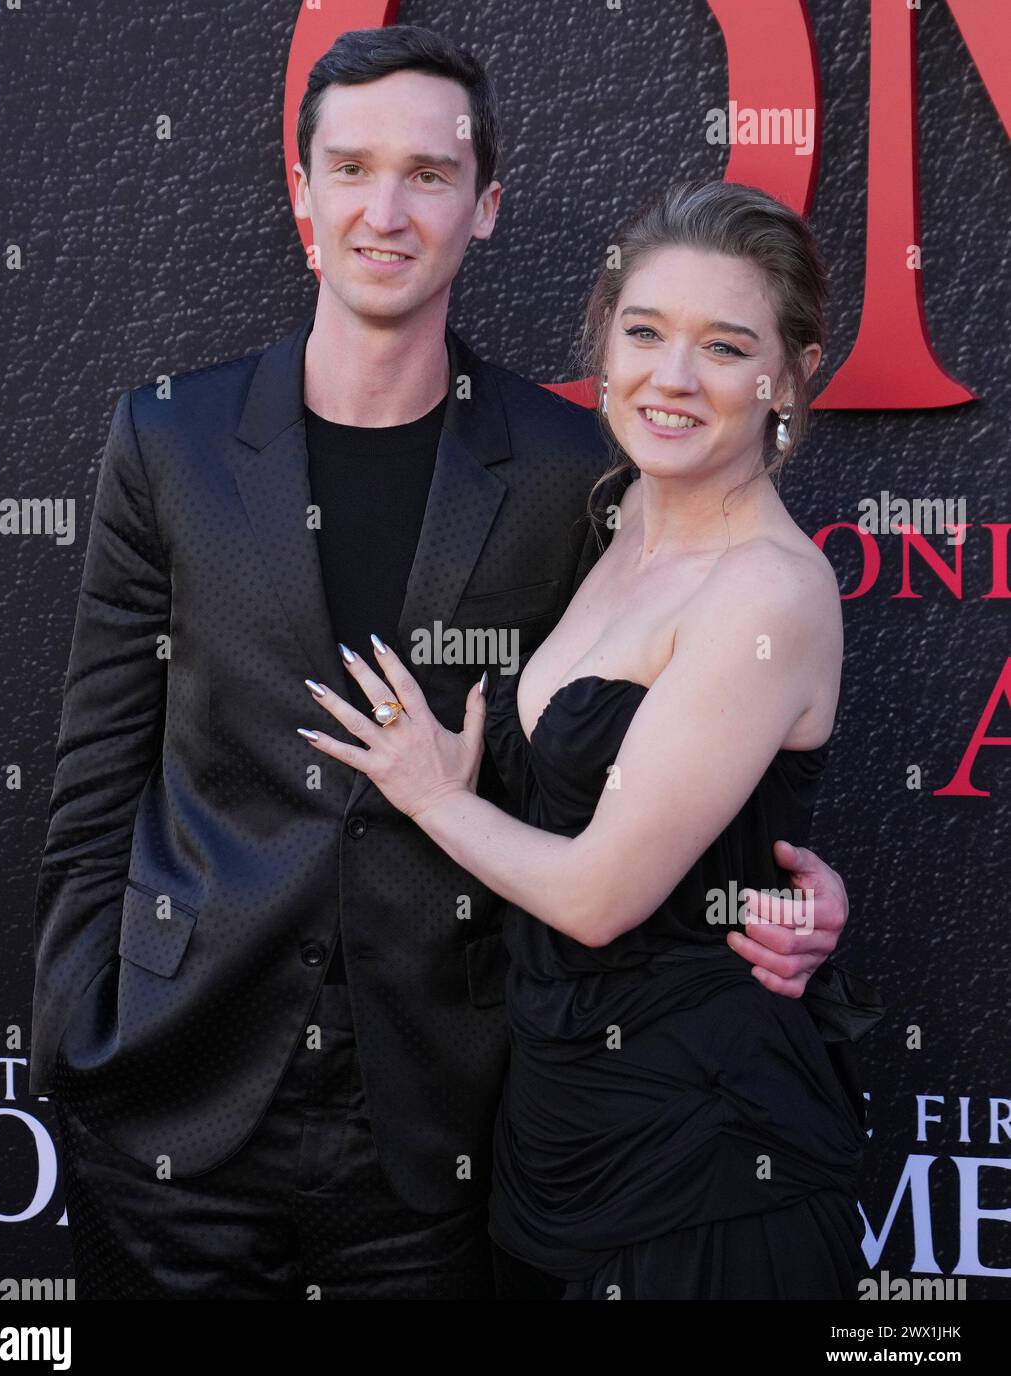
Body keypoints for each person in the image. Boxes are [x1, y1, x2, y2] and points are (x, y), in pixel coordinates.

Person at [29, 25, 858, 1300]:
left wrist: (766, 893)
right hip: (171, 1096)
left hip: (442, 1127)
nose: (385, 208)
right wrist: (82, 1016)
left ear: (485, 207)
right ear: (298, 189)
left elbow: (656, 735)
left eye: (428, 173)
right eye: (350, 167)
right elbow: (95, 774)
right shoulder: (166, 440)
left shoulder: (579, 473)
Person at [301, 176, 885, 1299]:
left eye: (723, 347)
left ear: (790, 374)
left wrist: (435, 796)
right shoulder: (611, 518)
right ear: (603, 341)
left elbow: (597, 894)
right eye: (643, 332)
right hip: (549, 1132)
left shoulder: (768, 589)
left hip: (705, 1162)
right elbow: (621, 796)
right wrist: (493, 784)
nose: (670, 378)